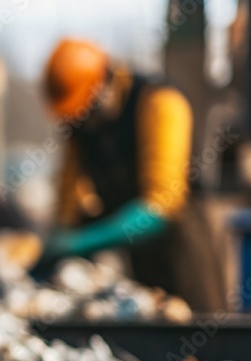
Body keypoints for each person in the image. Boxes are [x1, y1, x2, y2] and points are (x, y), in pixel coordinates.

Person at [36, 38, 193, 292]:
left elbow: (162, 206)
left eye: (84, 113)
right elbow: (68, 202)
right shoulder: (81, 127)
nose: (80, 125)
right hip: (140, 263)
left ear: (104, 85)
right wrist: (54, 248)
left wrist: (80, 242)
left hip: (184, 254)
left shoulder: (160, 103)